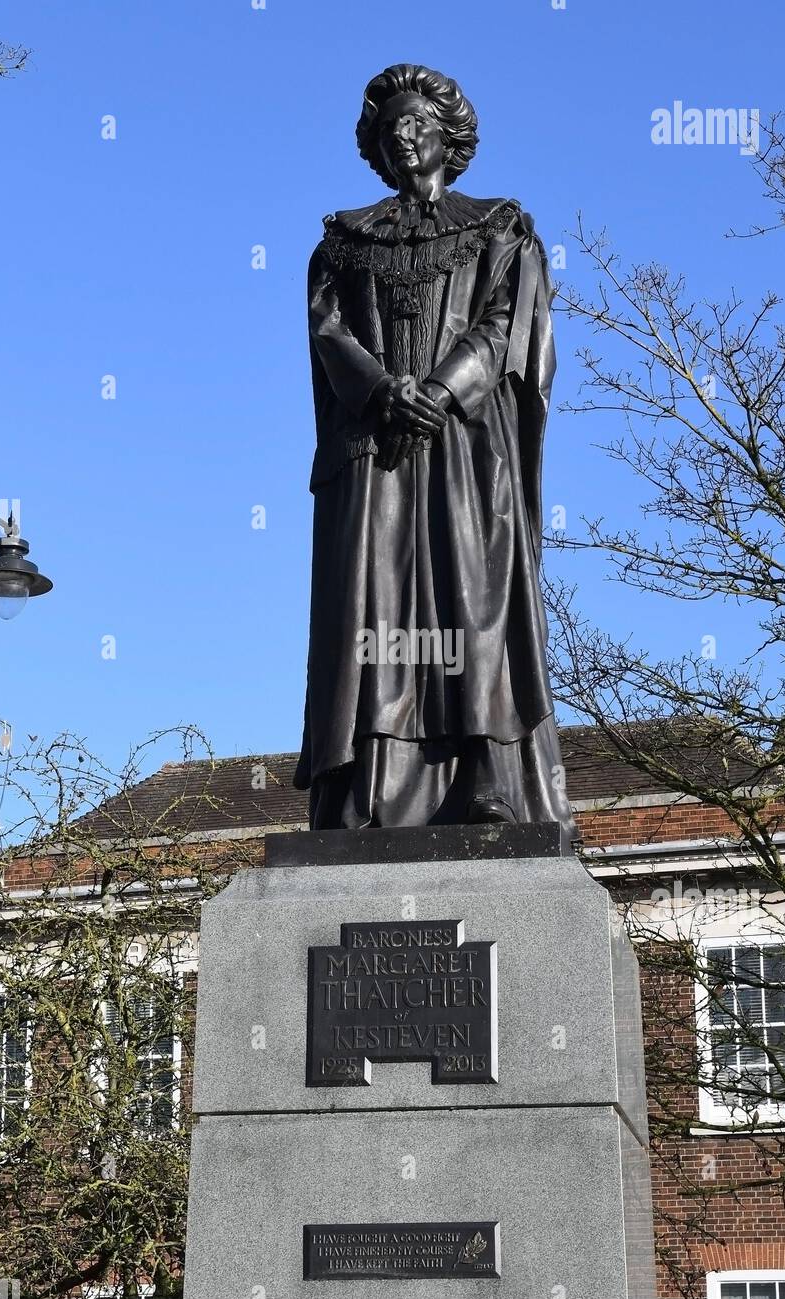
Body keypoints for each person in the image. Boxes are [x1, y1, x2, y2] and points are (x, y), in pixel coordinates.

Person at [294, 63, 575, 839]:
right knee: (370, 608)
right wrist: (386, 392)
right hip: (375, 446)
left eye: (417, 123)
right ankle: (363, 786)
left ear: (451, 138)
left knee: (471, 600)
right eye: (390, 130)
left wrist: (446, 388)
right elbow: (329, 334)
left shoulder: (499, 228)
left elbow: (508, 325)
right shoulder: (344, 243)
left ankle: (486, 773)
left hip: (466, 444)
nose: (403, 135)